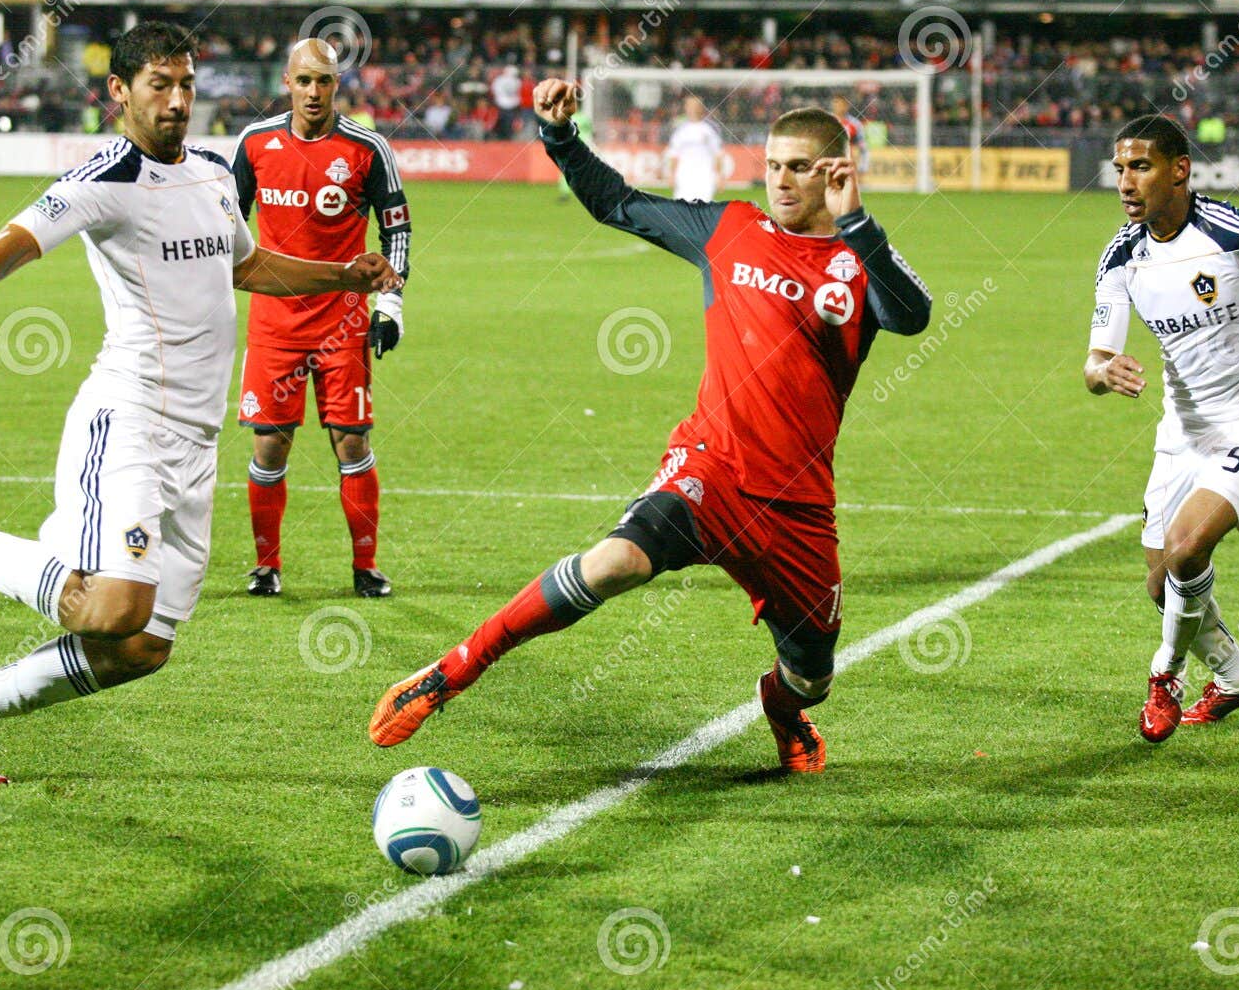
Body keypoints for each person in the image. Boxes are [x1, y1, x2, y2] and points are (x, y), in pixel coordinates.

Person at [0, 23, 400, 785]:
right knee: (110, 610)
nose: (176, 102)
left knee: (141, 648)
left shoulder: (208, 173)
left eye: (186, 85)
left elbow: (251, 264)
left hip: (195, 448)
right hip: (129, 421)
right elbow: (0, 250)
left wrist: (344, 276)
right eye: (158, 86)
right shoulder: (101, 181)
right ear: (119, 92)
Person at [368, 79, 931, 772]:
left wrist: (858, 223)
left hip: (798, 505)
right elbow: (619, 204)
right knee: (614, 561)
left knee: (812, 674)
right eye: (773, 164)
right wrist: (561, 137)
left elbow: (913, 316)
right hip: (711, 468)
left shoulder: (857, 259)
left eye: (799, 167)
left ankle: (783, 711)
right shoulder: (731, 229)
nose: (780, 179)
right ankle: (453, 671)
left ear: (835, 171)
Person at [1085, 114, 1239, 742]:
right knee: (1159, 580)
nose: (1125, 181)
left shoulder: (1231, 231)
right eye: (1119, 168)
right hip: (1183, 433)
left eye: (1139, 166)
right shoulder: (1122, 256)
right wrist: (1103, 370)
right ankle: (1236, 675)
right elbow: (1093, 361)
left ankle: (1163, 674)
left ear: (1178, 170)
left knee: (1185, 550)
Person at [229, 39, 411, 599]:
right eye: (304, 80)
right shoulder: (255, 143)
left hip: (344, 322)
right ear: (287, 81)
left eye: (324, 82)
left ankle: (366, 567)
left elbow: (396, 229)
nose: (314, 92)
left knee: (351, 444)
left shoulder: (367, 148)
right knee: (270, 447)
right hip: (274, 323)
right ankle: (266, 566)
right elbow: (227, 229)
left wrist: (391, 306)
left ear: (337, 85)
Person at [663, 95, 723, 203]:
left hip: (705, 177)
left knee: (703, 211)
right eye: (689, 106)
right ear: (685, 108)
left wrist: (719, 176)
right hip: (684, 176)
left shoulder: (710, 129)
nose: (692, 109)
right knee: (682, 211)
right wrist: (671, 175)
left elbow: (717, 154)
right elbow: (674, 154)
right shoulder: (680, 129)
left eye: (695, 106)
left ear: (701, 108)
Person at [830, 95, 870, 176]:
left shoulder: (855, 124)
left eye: (841, 104)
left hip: (847, 162)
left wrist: (863, 167)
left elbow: (863, 147)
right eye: (835, 103)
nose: (838, 106)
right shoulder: (826, 121)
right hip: (828, 160)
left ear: (847, 106)